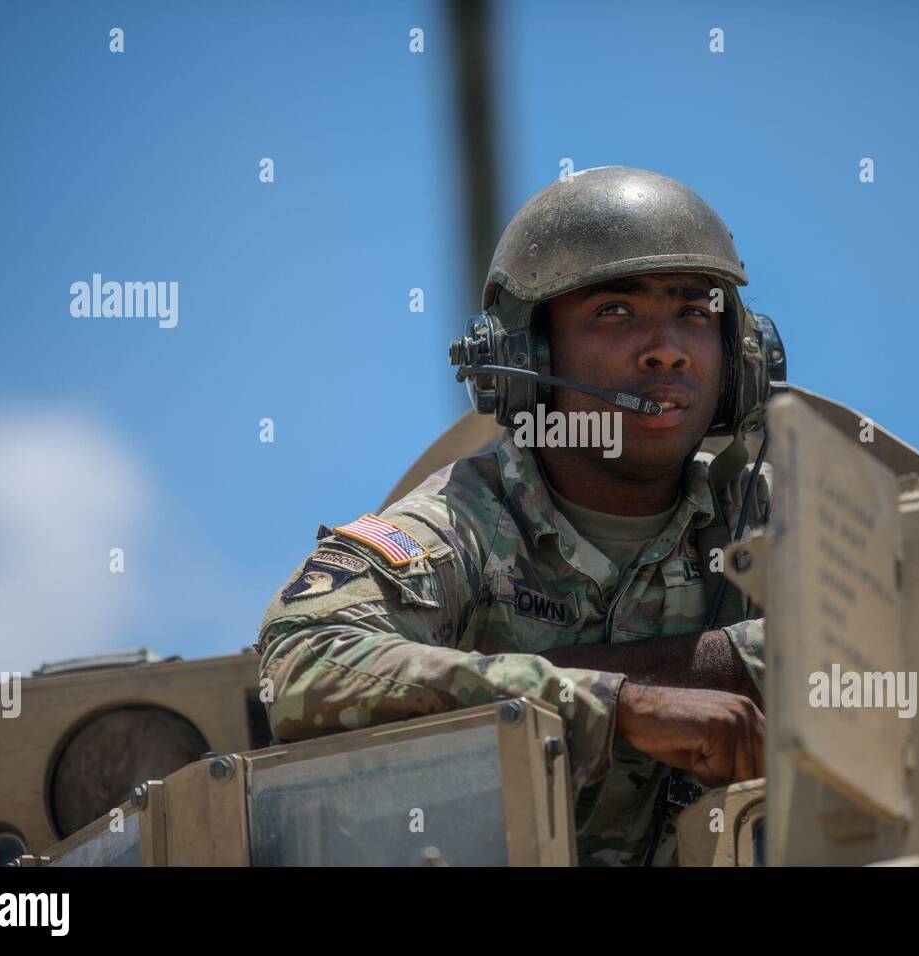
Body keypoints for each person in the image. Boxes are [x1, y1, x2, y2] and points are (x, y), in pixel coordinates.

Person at [254, 166, 785, 866]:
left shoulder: (774, 514)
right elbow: (301, 660)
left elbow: (907, 636)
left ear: (740, 355)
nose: (668, 348)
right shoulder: (459, 522)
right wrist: (620, 704)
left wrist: (722, 662)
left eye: (694, 312)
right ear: (523, 358)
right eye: (615, 312)